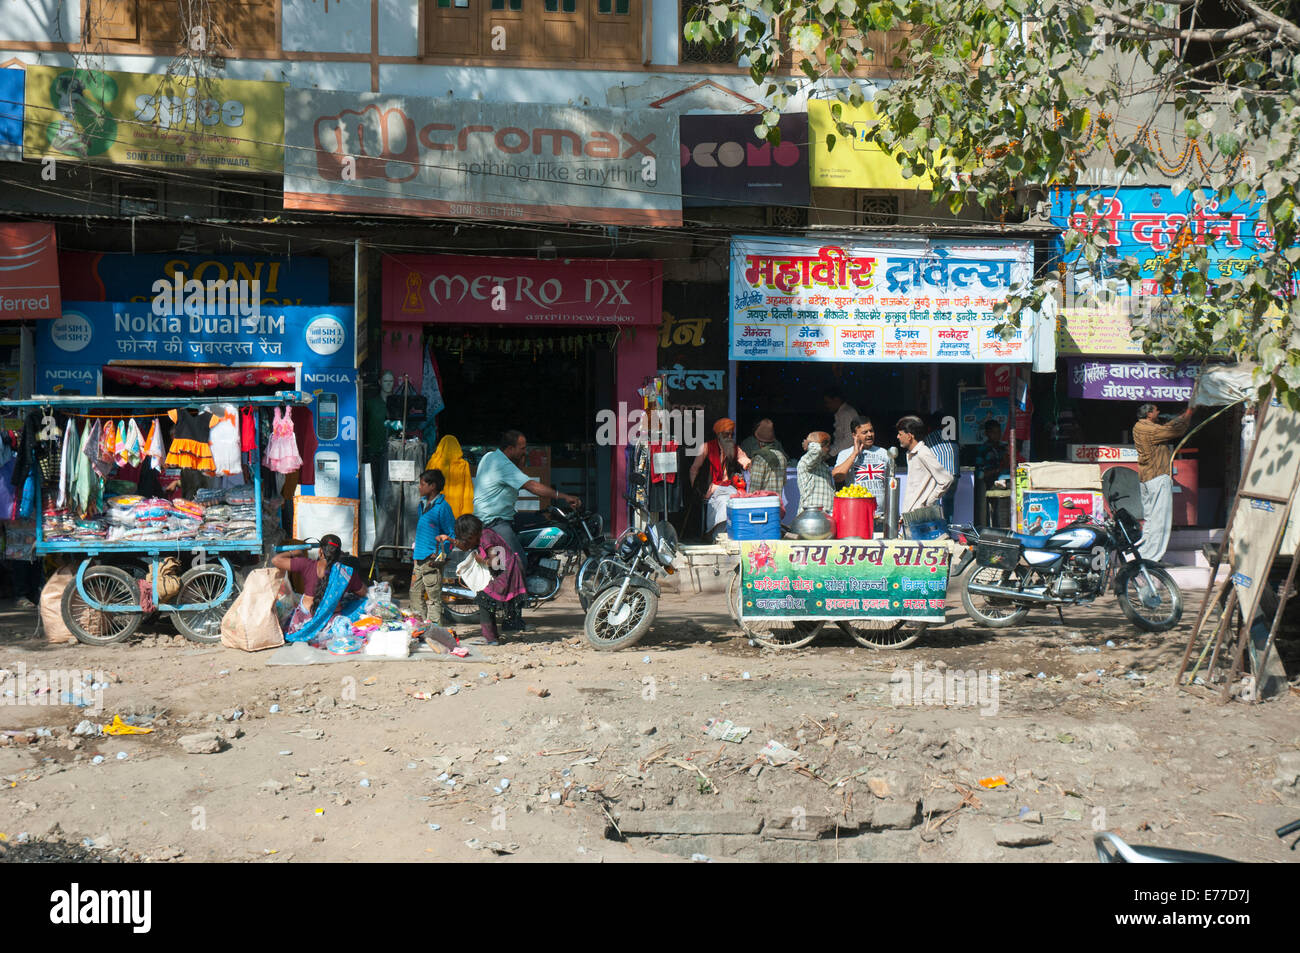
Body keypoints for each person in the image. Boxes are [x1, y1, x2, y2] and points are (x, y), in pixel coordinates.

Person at [450, 513, 527, 646]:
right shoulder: (483, 534)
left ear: (472, 534)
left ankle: (491, 638)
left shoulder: (486, 537)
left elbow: (496, 563)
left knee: (484, 600)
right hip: (507, 572)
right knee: (486, 601)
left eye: (468, 539)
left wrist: (483, 560)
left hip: (507, 574)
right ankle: (492, 637)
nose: (467, 542)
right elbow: (465, 546)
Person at [271, 534, 367, 638]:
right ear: (339, 554)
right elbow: (363, 592)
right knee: (363, 602)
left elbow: (276, 560)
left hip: (303, 623)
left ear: (320, 551)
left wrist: (293, 552)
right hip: (330, 625)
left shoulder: (306, 564)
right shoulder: (346, 573)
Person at [1133, 402, 1193, 562]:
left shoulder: (1142, 427)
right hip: (1157, 477)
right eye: (1156, 411)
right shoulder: (1147, 429)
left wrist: (1181, 416)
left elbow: (1167, 427)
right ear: (1149, 414)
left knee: (1151, 520)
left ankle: (1145, 554)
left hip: (1148, 479)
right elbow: (1173, 430)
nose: (1159, 412)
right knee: (1160, 520)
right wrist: (1188, 415)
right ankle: (1152, 558)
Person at [689, 417, 751, 536]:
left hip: (729, 487)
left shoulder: (734, 448)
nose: (729, 438)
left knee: (732, 500)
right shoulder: (706, 447)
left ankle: (729, 533)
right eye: (726, 434)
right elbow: (694, 469)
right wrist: (696, 490)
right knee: (724, 502)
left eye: (731, 435)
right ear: (719, 435)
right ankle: (717, 533)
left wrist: (749, 463)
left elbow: (743, 459)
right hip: (711, 487)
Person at [410, 469, 456, 626]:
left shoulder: (443, 507)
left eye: (422, 484)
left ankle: (435, 630)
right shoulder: (422, 505)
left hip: (432, 561)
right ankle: (420, 628)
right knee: (415, 594)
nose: (419, 487)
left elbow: (451, 534)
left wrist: (441, 558)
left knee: (433, 599)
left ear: (433, 486)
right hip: (418, 559)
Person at [895, 415, 955, 535]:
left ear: (910, 435)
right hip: (910, 516)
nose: (898, 437)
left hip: (920, 518)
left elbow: (946, 479)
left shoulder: (923, 452)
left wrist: (929, 501)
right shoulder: (912, 454)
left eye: (900, 434)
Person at [923, 411, 960, 521]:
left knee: (935, 504)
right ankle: (948, 530)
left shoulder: (928, 438)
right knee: (948, 503)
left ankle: (939, 532)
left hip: (941, 477)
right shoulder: (951, 438)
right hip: (954, 476)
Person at [427, 435, 473, 517]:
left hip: (436, 507)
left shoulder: (434, 462)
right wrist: (467, 511)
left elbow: (426, 485)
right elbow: (468, 489)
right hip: (456, 508)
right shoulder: (463, 465)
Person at [796, 430, 836, 516]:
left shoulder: (823, 465)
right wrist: (810, 444)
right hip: (810, 515)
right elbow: (817, 451)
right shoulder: (806, 461)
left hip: (825, 516)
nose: (829, 449)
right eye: (826, 446)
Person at [824, 388, 862, 456]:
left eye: (828, 402)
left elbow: (850, 440)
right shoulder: (840, 413)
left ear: (836, 400)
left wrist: (831, 454)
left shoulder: (847, 413)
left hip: (848, 455)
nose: (827, 405)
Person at [975, 419, 1008, 490]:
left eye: (999, 432)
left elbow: (1008, 465)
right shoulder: (982, 449)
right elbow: (979, 474)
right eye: (993, 432)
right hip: (990, 484)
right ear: (986, 433)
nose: (997, 435)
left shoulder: (1004, 448)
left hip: (1006, 481)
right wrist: (997, 470)